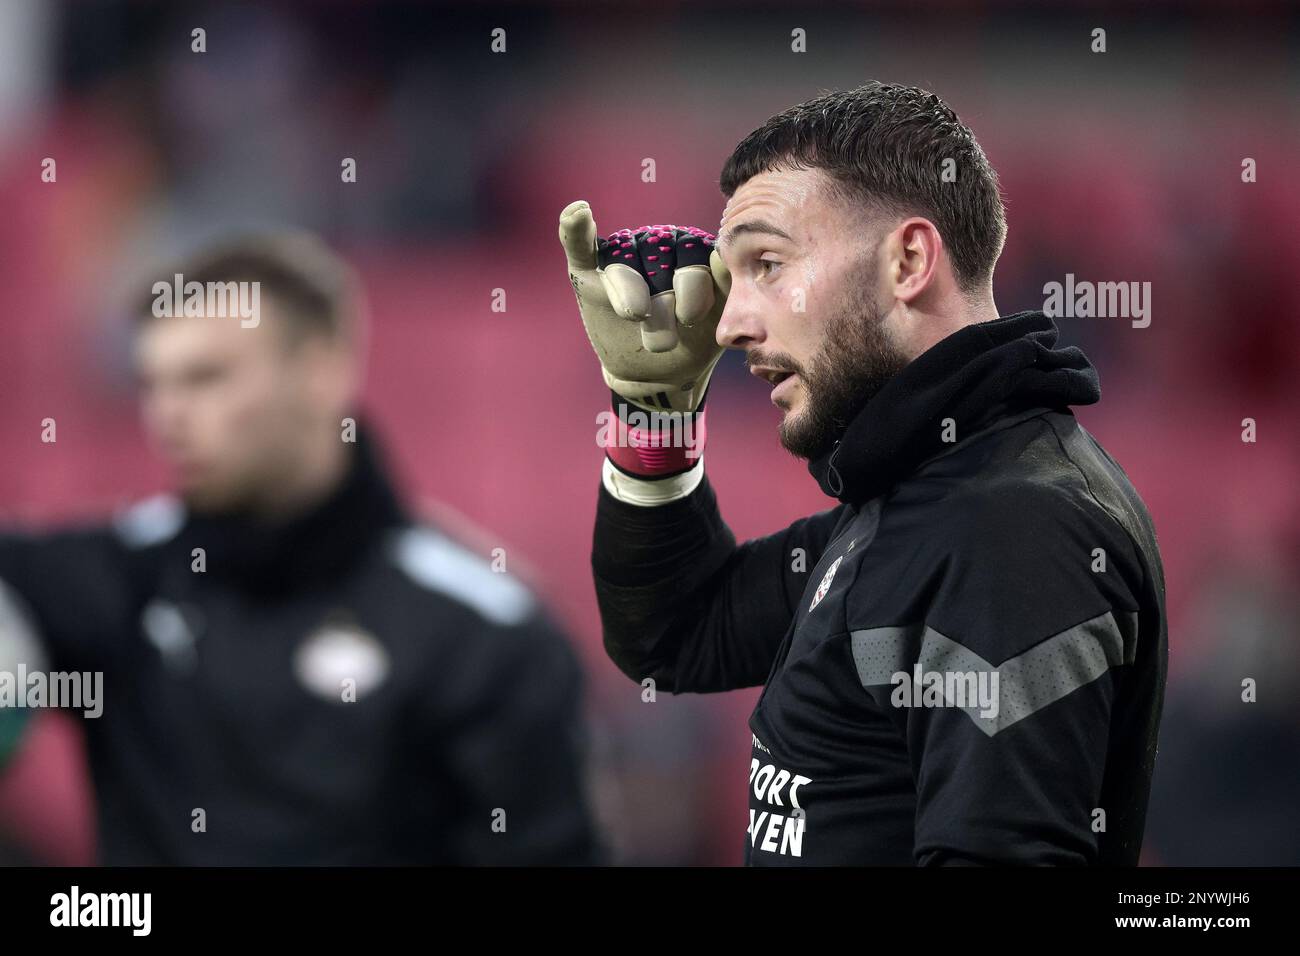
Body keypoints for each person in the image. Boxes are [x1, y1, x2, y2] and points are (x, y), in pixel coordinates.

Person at [561, 81, 1167, 865]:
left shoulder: (1014, 530)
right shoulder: (923, 496)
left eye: (768, 264)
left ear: (908, 261)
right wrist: (655, 415)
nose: (729, 323)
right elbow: (675, 633)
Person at [0, 233, 599, 865]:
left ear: (321, 372)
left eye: (206, 377)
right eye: (153, 384)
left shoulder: (482, 635)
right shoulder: (111, 579)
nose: (167, 415)